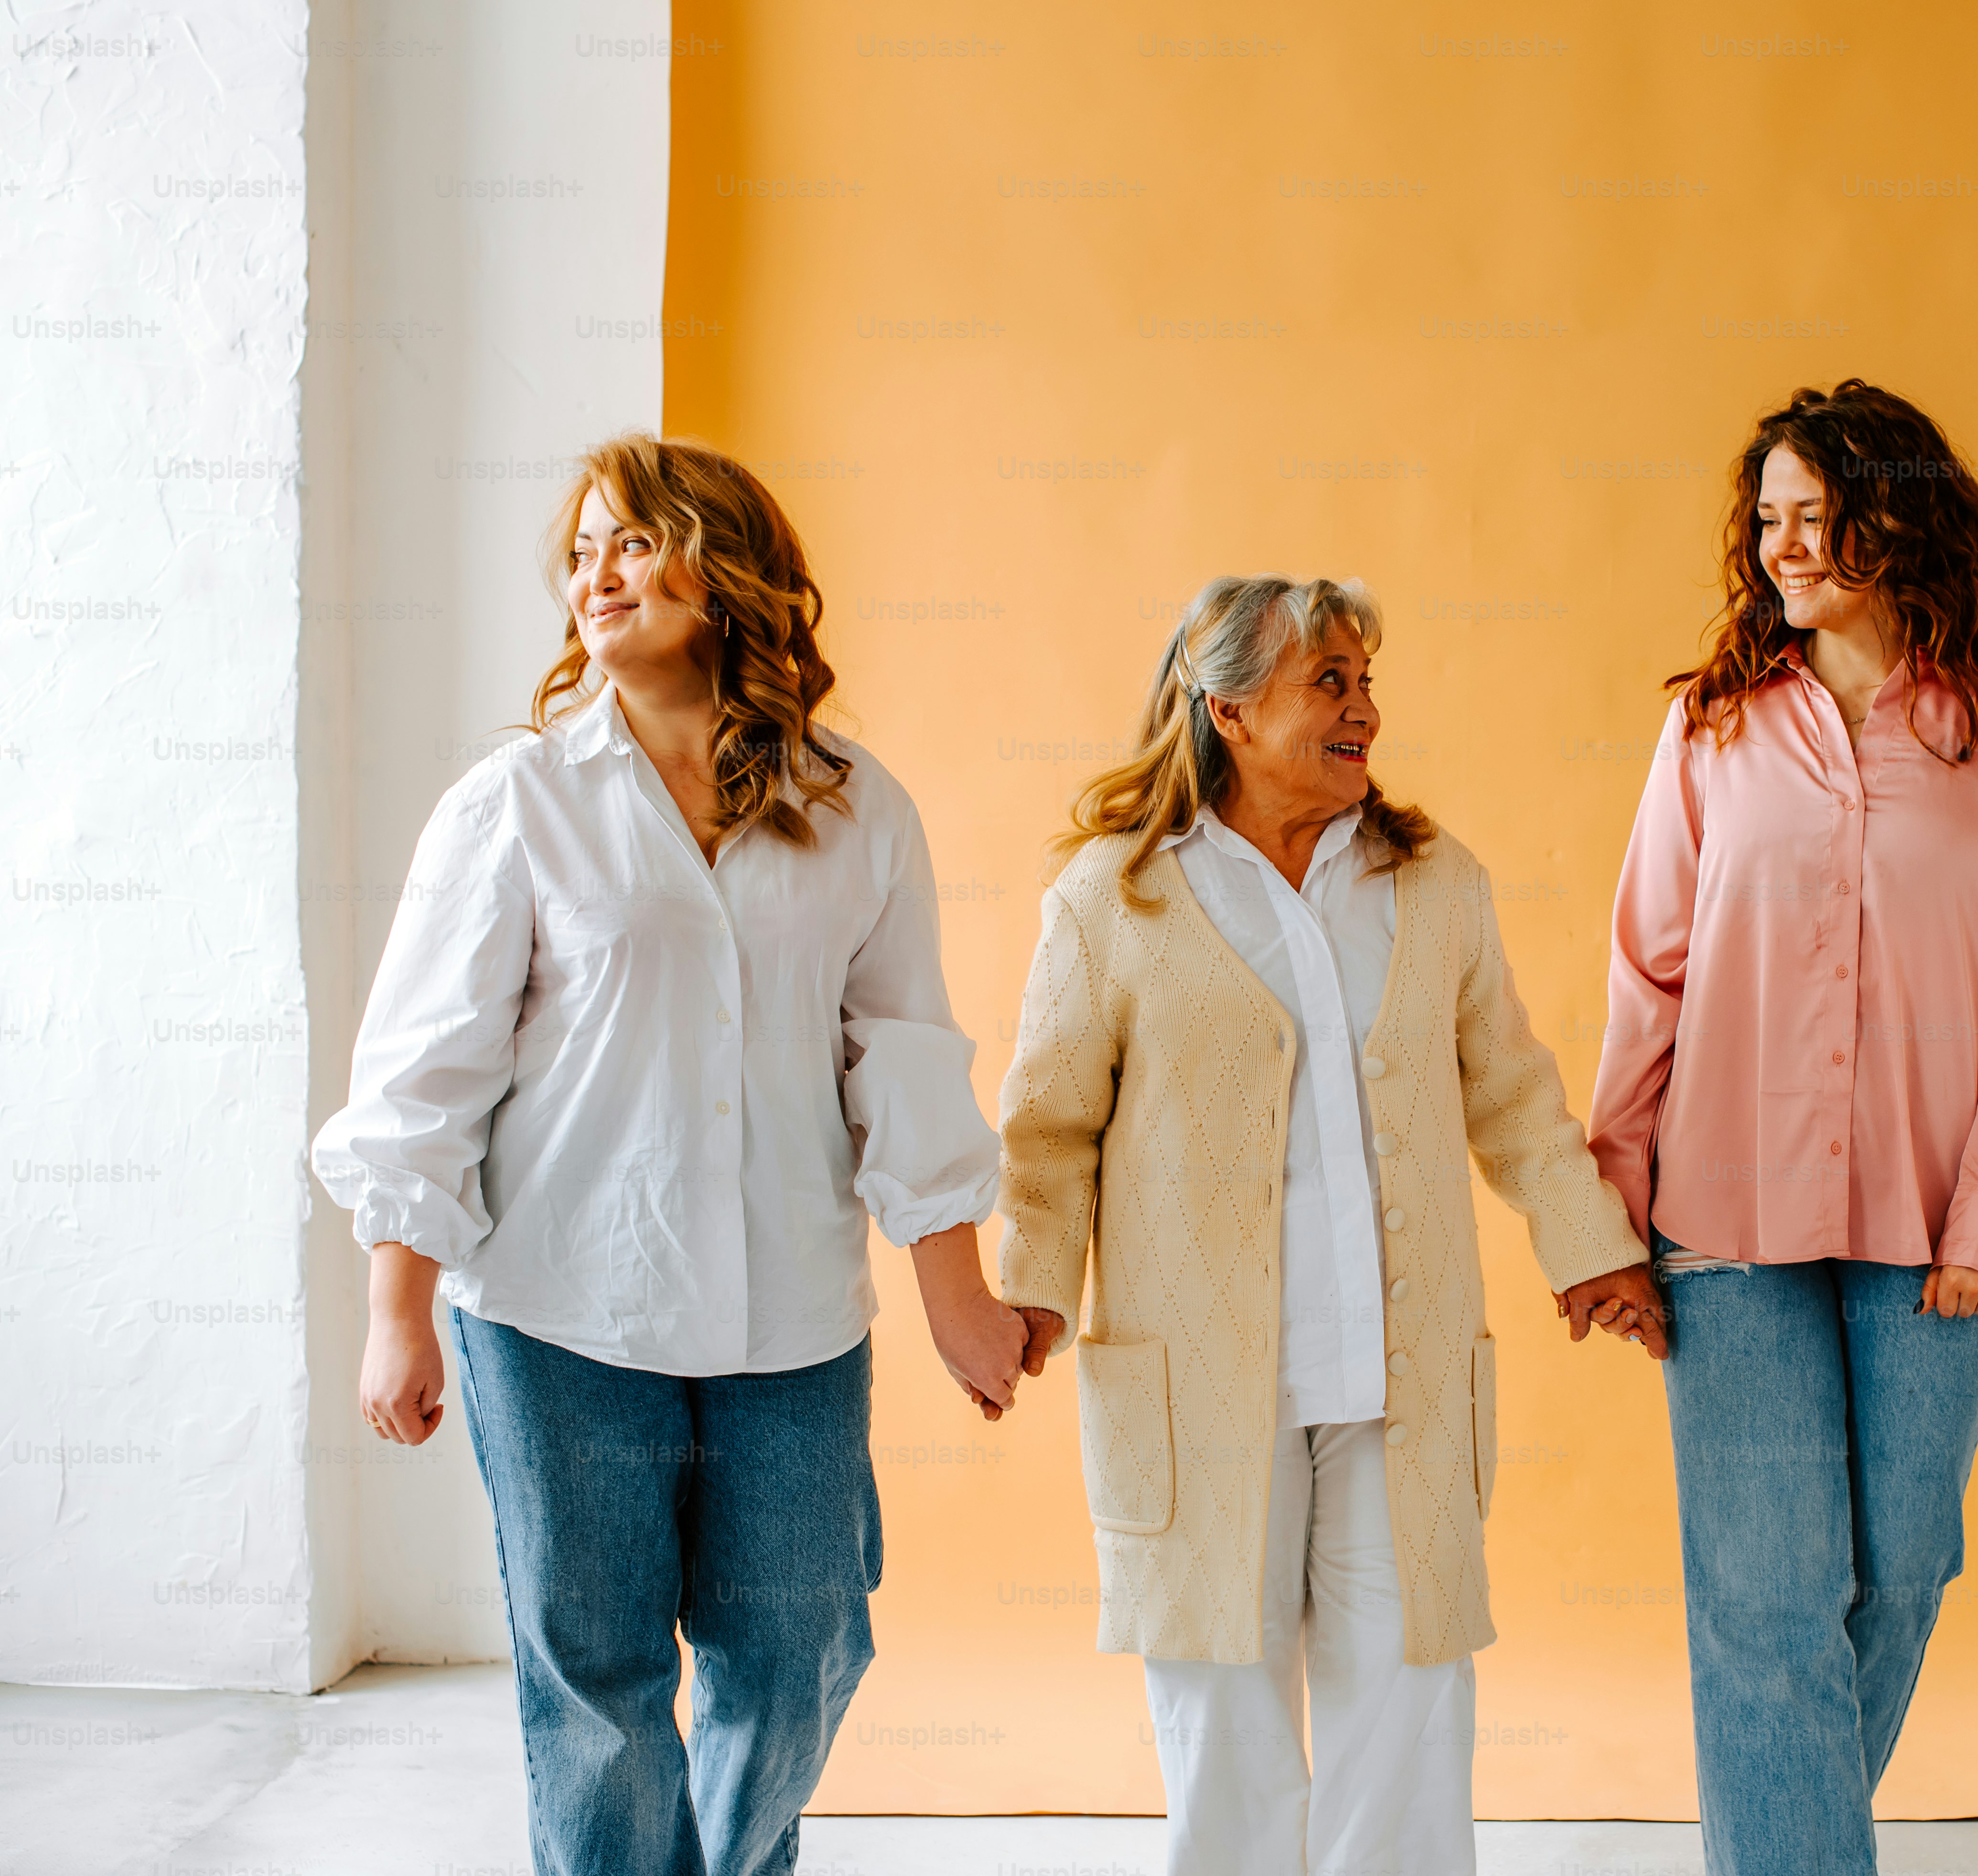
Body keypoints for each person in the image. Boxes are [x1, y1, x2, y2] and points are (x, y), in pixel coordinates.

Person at [311, 434, 1032, 1876]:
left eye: (633, 542)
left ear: (729, 564)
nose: (597, 574)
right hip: (559, 1312)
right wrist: (398, 1310)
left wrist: (957, 1295)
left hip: (794, 1317)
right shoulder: (516, 802)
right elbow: (423, 1072)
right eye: (583, 551)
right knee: (598, 1680)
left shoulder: (855, 806)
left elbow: (900, 1058)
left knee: (802, 1650)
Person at [993, 575, 1665, 1876]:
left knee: (1411, 1695)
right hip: (1195, 1387)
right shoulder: (1111, 896)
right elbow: (1049, 1129)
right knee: (1221, 1715)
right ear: (1230, 709)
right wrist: (1028, 1293)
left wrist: (1590, 1247)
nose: (1364, 709)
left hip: (1394, 1380)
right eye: (1331, 682)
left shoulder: (1434, 883)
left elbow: (1513, 1095)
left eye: (1366, 682)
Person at [1587, 381, 1978, 1875]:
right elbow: (1646, 975)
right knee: (1762, 1597)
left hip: (1939, 1222)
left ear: (1900, 518)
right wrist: (1603, 1215)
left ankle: (1781, 1832)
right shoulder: (1712, 727)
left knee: (1901, 1569)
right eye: (1769, 520)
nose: (1786, 548)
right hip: (1722, 1218)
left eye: (1818, 517)